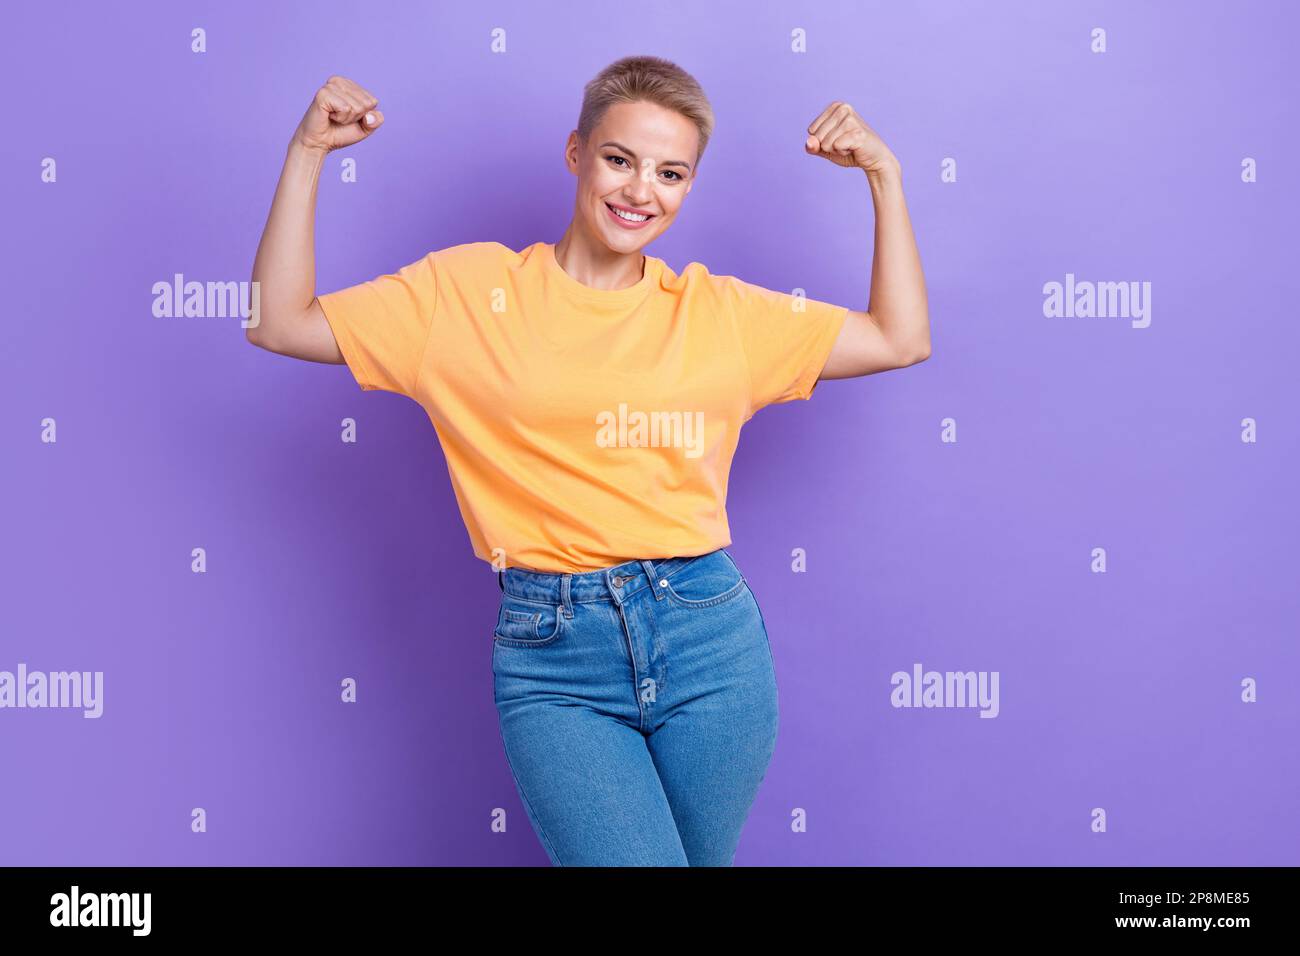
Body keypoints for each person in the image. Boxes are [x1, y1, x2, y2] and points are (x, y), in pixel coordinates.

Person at [247, 55, 929, 866]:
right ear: (576, 153)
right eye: (620, 159)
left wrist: (884, 176)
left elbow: (900, 336)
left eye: (671, 173)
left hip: (710, 641)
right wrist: (306, 153)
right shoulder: (466, 295)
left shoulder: (719, 314)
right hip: (554, 656)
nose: (642, 190)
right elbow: (276, 321)